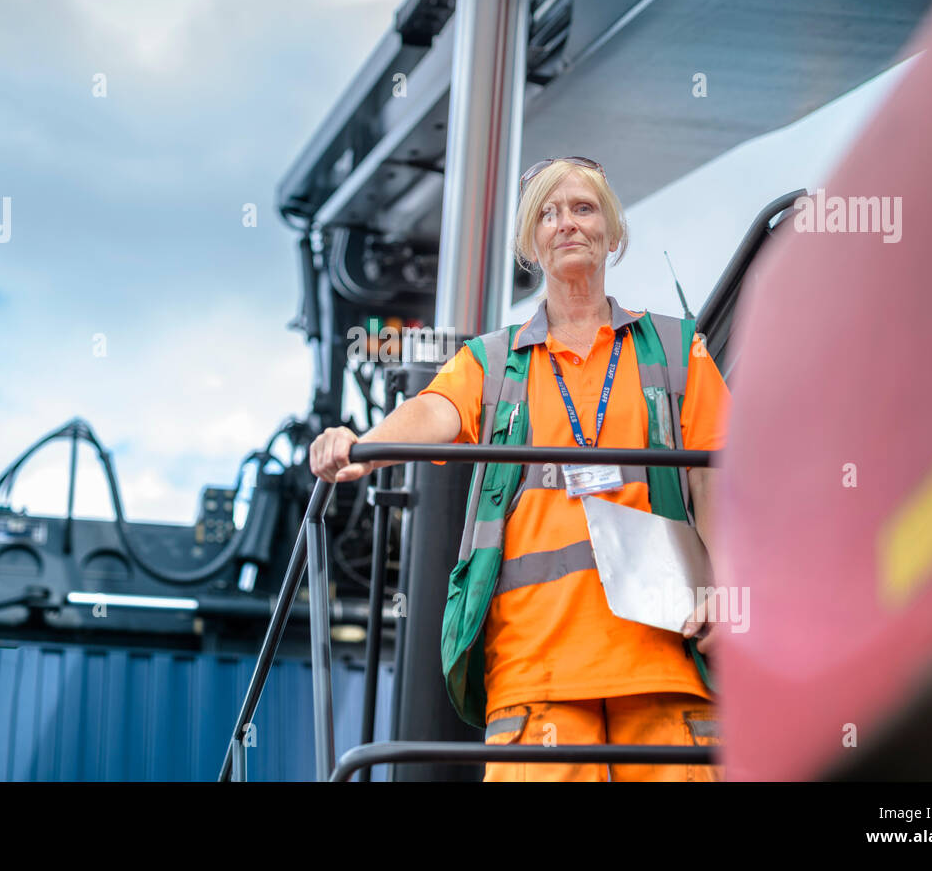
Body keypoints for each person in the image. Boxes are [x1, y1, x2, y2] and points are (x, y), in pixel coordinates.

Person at [309, 156, 731, 781]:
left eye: (584, 209)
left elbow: (719, 478)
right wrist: (360, 446)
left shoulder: (678, 349)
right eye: (549, 214)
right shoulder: (492, 360)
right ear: (531, 242)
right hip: (537, 676)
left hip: (663, 666)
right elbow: (434, 412)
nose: (567, 224)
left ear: (612, 233)